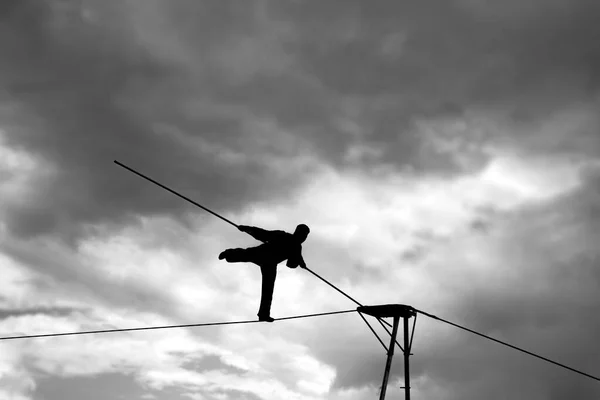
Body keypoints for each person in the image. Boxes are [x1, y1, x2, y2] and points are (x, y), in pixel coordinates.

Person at [218, 224, 310, 322]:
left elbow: (291, 264)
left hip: (269, 261)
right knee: (246, 255)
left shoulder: (295, 246)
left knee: (267, 288)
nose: (304, 238)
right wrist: (247, 229)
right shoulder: (286, 238)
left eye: (305, 236)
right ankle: (228, 254)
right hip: (265, 256)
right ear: (298, 233)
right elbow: (263, 234)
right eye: (304, 235)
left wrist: (300, 262)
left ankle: (263, 314)